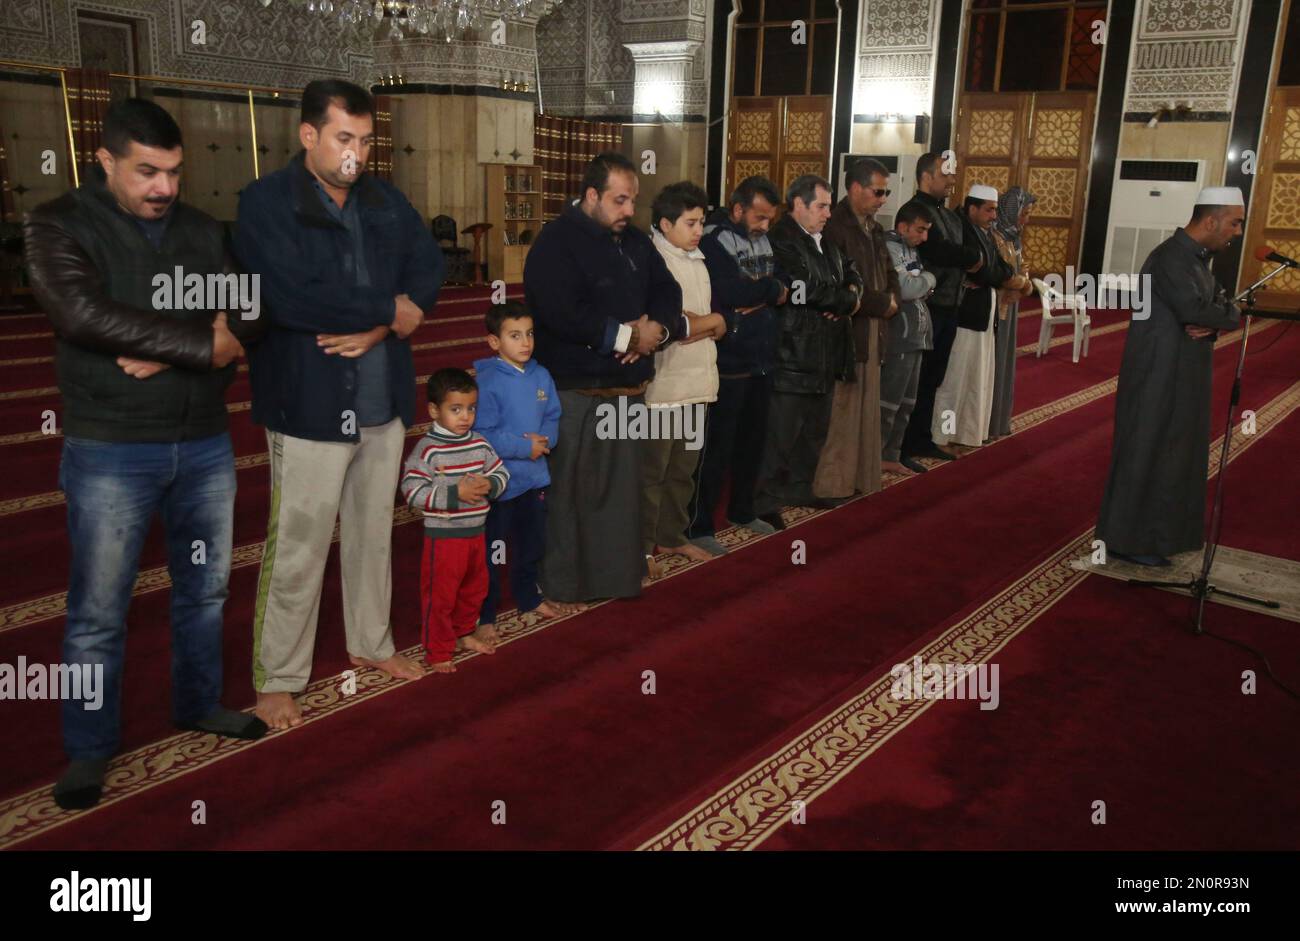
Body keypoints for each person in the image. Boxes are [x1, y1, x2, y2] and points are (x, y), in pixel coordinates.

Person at [23, 97, 267, 809]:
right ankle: (89, 749)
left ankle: (197, 703)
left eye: (174, 172)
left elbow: (248, 308)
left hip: (203, 443)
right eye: (147, 172)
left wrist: (165, 352)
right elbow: (80, 314)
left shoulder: (197, 227)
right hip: (110, 447)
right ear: (104, 161)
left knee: (206, 592)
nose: (164, 187)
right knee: (98, 608)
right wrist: (197, 342)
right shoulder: (58, 223)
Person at [235, 80, 445, 729]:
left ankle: (371, 643)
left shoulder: (384, 198)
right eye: (343, 138)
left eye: (364, 140)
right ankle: (278, 676)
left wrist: (382, 326)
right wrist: (386, 307)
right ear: (308, 135)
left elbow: (430, 268)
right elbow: (286, 296)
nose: (355, 153)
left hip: (382, 396)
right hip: (309, 402)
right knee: (298, 542)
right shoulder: (265, 202)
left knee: (371, 534)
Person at [523, 153, 687, 602]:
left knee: (619, 494)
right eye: (620, 200)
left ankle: (613, 579)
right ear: (591, 196)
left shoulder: (634, 241)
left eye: (633, 200)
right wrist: (624, 337)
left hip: (629, 391)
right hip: (576, 389)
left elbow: (667, 289)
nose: (630, 211)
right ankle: (563, 585)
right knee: (570, 493)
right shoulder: (556, 242)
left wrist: (657, 330)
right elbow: (559, 311)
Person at [1095, 187, 1243, 566]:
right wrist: (1221, 317)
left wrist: (1213, 323)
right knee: (1147, 450)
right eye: (1234, 223)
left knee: (1174, 454)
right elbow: (1197, 307)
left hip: (1181, 371)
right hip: (1156, 373)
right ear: (1211, 221)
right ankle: (1131, 541)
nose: (1238, 231)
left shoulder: (1195, 259)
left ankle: (1159, 537)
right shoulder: (1170, 259)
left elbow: (1218, 305)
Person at [753, 174, 863, 531]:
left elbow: (853, 274)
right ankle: (763, 501)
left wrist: (847, 297)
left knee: (814, 431)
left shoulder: (825, 240)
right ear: (798, 205)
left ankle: (800, 488)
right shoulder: (781, 239)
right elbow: (803, 288)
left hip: (825, 352)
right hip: (792, 352)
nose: (829, 214)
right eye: (822, 206)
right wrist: (844, 299)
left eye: (830, 206)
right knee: (779, 434)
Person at [688, 176, 788, 555]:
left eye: (769, 219)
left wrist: (764, 292)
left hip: (763, 354)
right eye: (759, 217)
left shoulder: (764, 239)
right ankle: (699, 525)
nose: (764, 226)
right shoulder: (713, 241)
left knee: (753, 443)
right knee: (717, 448)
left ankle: (742, 510)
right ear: (738, 209)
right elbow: (727, 293)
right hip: (729, 359)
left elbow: (785, 284)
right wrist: (766, 291)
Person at [472, 301, 573, 639]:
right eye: (514, 336)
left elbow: (553, 416)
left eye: (529, 334)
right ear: (494, 342)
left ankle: (529, 597)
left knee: (532, 544)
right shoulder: (487, 382)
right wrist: (522, 446)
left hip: (534, 478)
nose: (525, 342)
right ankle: (484, 615)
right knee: (492, 551)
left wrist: (545, 441)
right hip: (500, 485)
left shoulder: (541, 374)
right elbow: (483, 433)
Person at [400, 369, 510, 671]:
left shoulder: (479, 442)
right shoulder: (428, 449)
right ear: (435, 410)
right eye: (456, 409)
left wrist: (491, 484)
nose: (465, 416)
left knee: (475, 588)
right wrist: (454, 492)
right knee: (441, 595)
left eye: (471, 408)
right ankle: (437, 651)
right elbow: (411, 490)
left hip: (477, 533)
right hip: (444, 537)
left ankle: (463, 633)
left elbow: (501, 471)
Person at [643, 181, 727, 572]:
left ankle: (671, 536)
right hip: (663, 387)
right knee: (652, 474)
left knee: (683, 471)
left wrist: (706, 323)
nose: (698, 231)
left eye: (701, 223)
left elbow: (709, 323)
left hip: (698, 383)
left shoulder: (699, 258)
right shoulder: (652, 259)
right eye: (691, 223)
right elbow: (674, 325)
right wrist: (706, 323)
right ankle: (641, 547)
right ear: (664, 223)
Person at [815, 157, 901, 499]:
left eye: (886, 192)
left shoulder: (875, 228)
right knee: (842, 413)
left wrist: (892, 298)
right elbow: (839, 288)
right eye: (877, 191)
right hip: (847, 336)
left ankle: (859, 478)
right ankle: (832, 484)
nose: (883, 199)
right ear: (854, 188)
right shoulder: (835, 227)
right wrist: (883, 304)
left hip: (873, 332)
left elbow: (890, 274)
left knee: (866, 409)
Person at [898, 153, 983, 464]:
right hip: (926, 306)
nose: (951, 180)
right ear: (926, 176)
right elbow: (938, 250)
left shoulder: (946, 214)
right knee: (915, 380)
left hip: (949, 306)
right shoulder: (915, 211)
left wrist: (968, 257)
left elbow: (964, 249)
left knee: (933, 378)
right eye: (945, 174)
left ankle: (922, 439)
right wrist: (968, 258)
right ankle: (901, 446)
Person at [932, 185, 1015, 450]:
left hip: (982, 317)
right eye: (989, 210)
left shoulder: (986, 235)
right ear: (972, 208)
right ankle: (943, 435)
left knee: (974, 381)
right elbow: (983, 274)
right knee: (953, 382)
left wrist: (994, 274)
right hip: (964, 319)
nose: (994, 216)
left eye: (995, 210)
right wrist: (992, 275)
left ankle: (965, 433)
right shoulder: (962, 232)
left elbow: (1004, 268)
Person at [882, 204, 936, 476]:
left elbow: (919, 289)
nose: (924, 237)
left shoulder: (910, 249)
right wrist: (929, 278)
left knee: (907, 402)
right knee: (889, 401)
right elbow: (906, 288)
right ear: (903, 227)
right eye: (920, 230)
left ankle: (891, 454)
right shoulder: (890, 248)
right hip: (899, 336)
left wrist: (922, 283)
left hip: (917, 335)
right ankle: (876, 455)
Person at [989, 187, 1037, 439]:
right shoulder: (995, 237)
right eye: (1024, 213)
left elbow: (1022, 264)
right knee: (993, 363)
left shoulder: (1013, 237)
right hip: (998, 307)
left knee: (1005, 361)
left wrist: (1025, 279)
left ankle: (998, 421)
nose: (1026, 220)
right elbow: (1000, 272)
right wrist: (1022, 283)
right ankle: (985, 423)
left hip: (1011, 304)